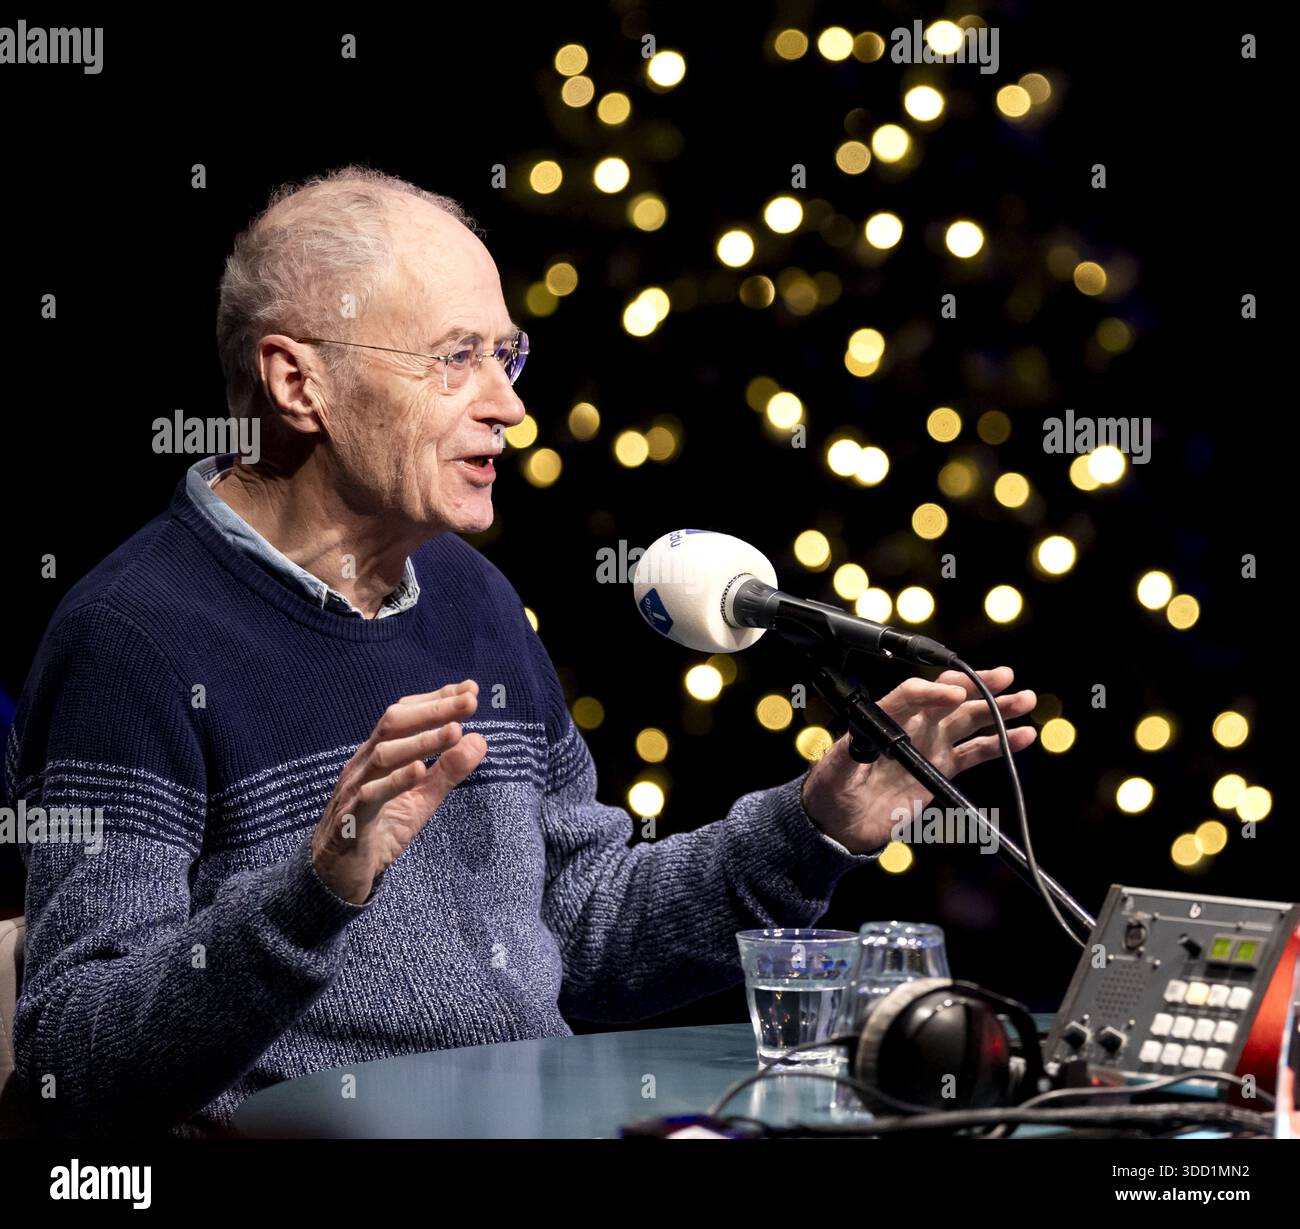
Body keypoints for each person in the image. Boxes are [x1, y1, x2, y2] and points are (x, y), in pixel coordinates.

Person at [4, 166, 1036, 1135]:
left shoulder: (469, 592)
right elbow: (72, 1059)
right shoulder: (132, 640)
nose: (507, 404)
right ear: (296, 383)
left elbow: (581, 931)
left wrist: (812, 827)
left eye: (508, 357)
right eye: (456, 357)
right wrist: (315, 891)